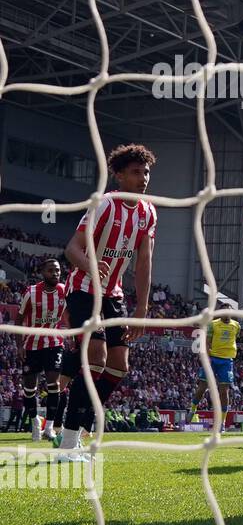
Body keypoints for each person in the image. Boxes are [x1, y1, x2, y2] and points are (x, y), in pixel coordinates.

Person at [59, 144, 158, 461]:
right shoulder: (105, 205)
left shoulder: (148, 213)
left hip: (113, 294)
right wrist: (89, 264)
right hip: (83, 289)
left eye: (146, 172)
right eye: (135, 172)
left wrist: (142, 307)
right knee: (97, 357)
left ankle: (82, 424)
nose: (143, 178)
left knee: (119, 366)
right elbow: (71, 248)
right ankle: (67, 443)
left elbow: (144, 263)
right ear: (118, 175)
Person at [17, 258, 67, 441]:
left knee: (54, 385)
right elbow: (18, 320)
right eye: (51, 270)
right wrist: (19, 345)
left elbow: (69, 313)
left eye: (58, 270)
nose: (55, 273)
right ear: (42, 273)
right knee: (29, 388)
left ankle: (50, 427)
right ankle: (35, 422)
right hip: (31, 345)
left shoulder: (63, 290)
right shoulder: (31, 293)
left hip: (54, 343)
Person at [190, 316, 240, 430]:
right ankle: (192, 408)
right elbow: (207, 342)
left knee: (224, 392)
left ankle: (222, 423)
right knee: (202, 388)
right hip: (213, 359)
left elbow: (235, 337)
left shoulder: (236, 325)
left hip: (227, 361)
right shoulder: (213, 324)